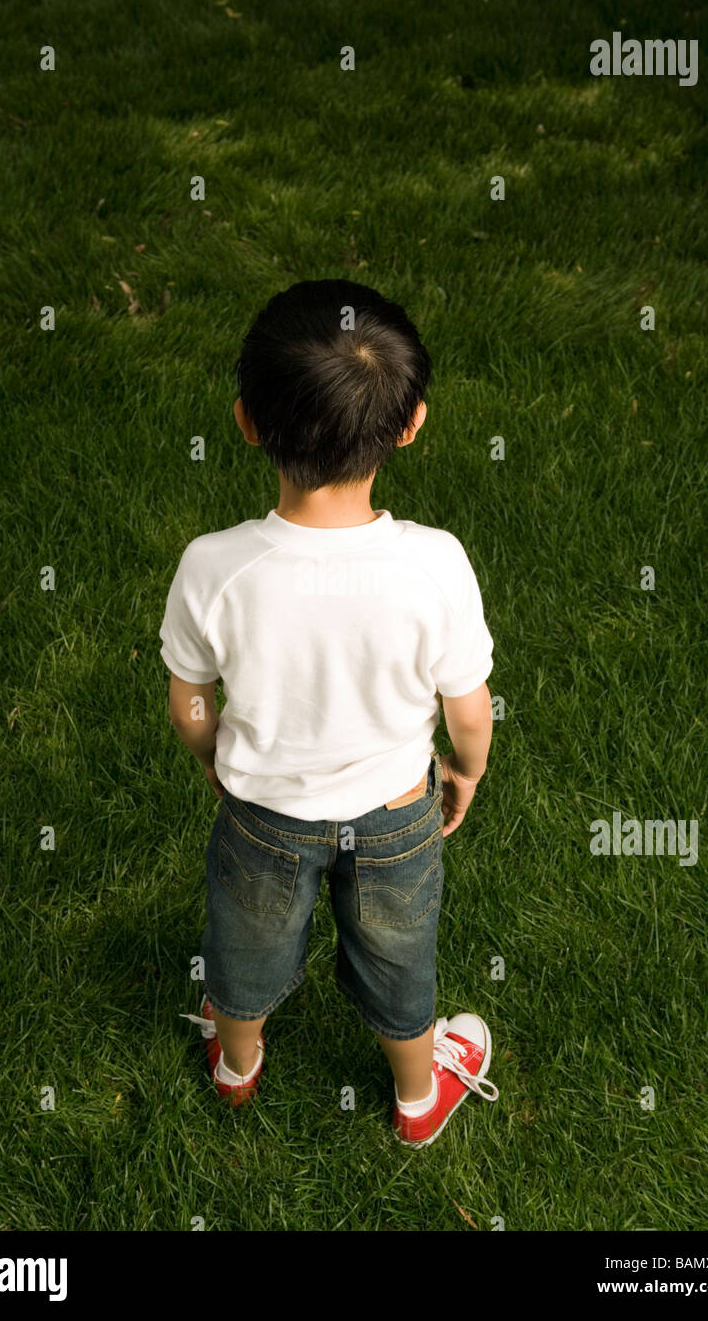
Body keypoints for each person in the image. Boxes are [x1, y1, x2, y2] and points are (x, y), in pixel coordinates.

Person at [160, 279, 499, 1148]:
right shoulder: (436, 564)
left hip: (262, 816)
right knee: (398, 958)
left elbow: (190, 698)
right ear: (412, 423)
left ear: (245, 421)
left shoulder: (215, 566)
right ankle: (418, 1096)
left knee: (244, 948)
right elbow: (468, 708)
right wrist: (465, 771)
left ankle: (237, 1067)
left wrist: (208, 752)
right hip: (394, 815)